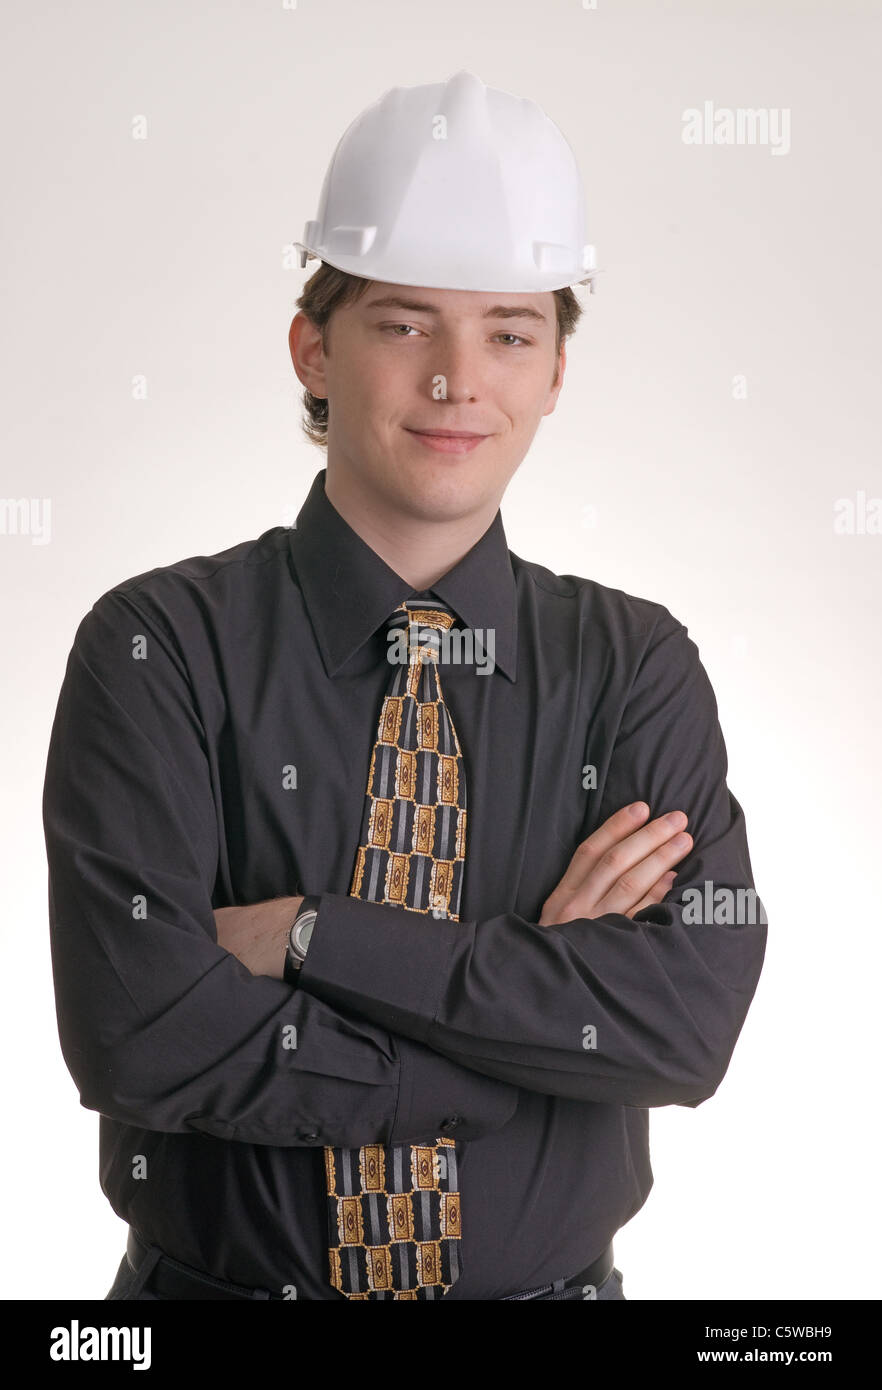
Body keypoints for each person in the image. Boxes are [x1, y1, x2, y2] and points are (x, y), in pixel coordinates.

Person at [43, 70, 767, 1302]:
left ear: (554, 372)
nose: (456, 379)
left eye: (509, 331)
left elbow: (686, 1027)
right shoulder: (157, 646)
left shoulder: (633, 668)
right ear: (313, 348)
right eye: (402, 323)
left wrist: (310, 937)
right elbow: (142, 1035)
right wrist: (519, 1035)